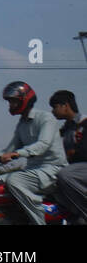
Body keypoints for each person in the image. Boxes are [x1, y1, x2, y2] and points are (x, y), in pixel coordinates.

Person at [0, 80, 66, 225]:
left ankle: (38, 221)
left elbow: (42, 145)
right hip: (32, 171)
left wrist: (17, 154)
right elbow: (8, 151)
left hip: (52, 171)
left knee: (15, 180)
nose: (10, 105)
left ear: (24, 100)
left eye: (13, 102)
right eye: (9, 102)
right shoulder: (22, 124)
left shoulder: (45, 118)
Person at [50, 89, 87, 223]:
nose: (53, 111)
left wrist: (72, 154)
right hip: (77, 169)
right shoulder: (67, 128)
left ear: (65, 106)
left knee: (64, 175)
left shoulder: (84, 124)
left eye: (55, 107)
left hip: (81, 169)